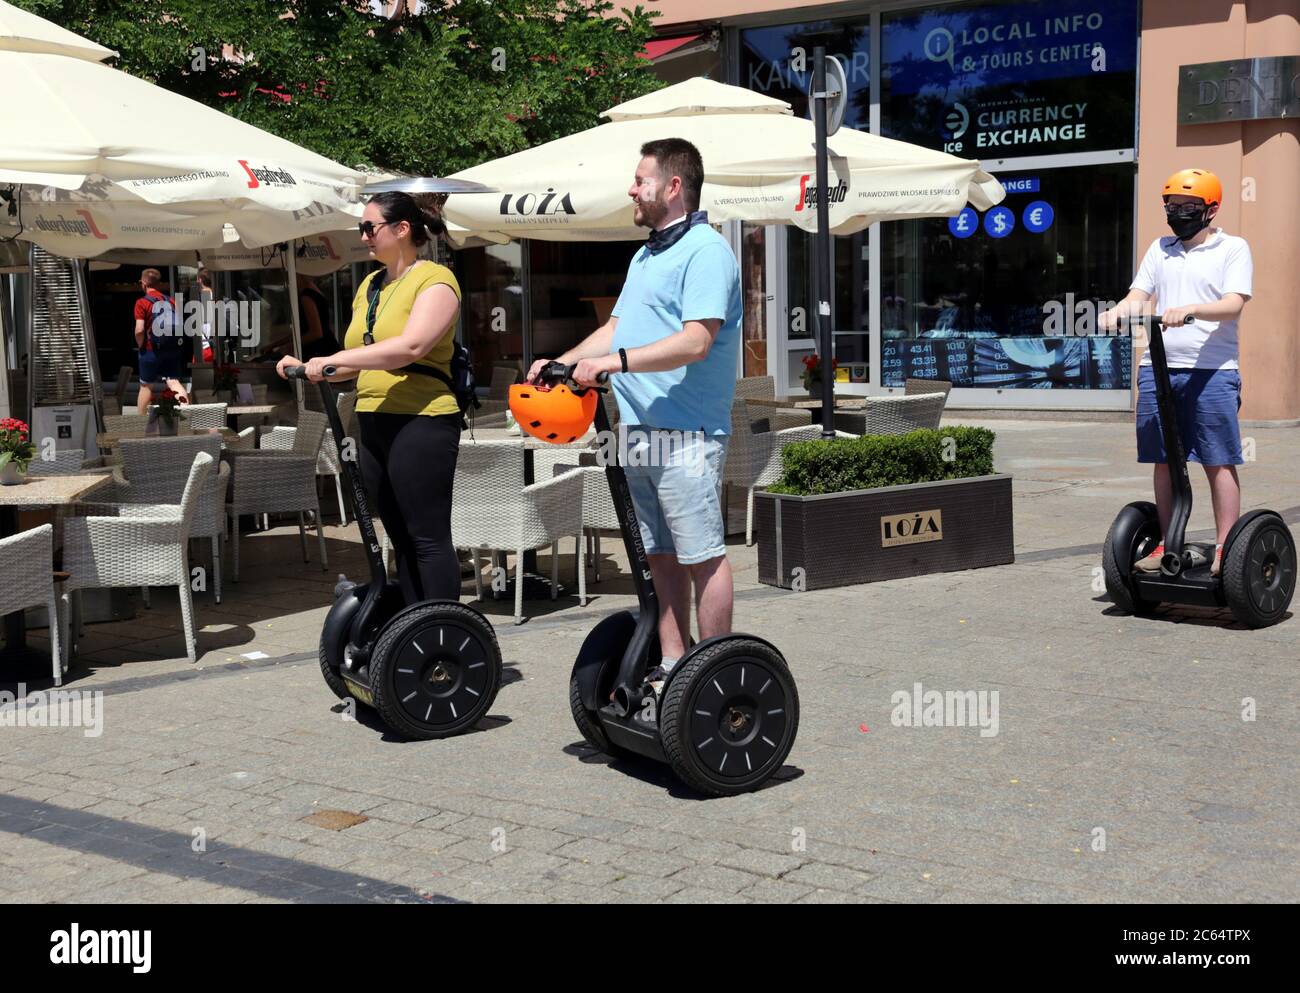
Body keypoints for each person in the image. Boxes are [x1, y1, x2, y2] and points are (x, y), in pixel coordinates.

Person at [528, 138, 741, 695]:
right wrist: (567, 360)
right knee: (659, 554)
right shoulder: (646, 255)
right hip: (639, 432)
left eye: (640, 179)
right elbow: (618, 328)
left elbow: (697, 341)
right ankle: (674, 663)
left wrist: (614, 365)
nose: (631, 189)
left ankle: (715, 675)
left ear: (673, 186)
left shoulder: (707, 252)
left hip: (689, 433)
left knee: (703, 558)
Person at [277, 191, 463, 603]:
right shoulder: (370, 286)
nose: (363, 237)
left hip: (422, 418)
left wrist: (330, 360)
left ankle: (444, 633)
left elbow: (412, 346)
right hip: (373, 419)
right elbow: (354, 362)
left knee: (427, 537)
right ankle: (412, 629)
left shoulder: (435, 280)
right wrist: (311, 365)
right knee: (397, 534)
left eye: (369, 227)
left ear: (402, 229)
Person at [1100, 168, 1253, 576]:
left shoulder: (1232, 248)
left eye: (1188, 207)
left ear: (1211, 209)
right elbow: (1138, 295)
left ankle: (1226, 549)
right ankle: (1169, 542)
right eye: (1172, 206)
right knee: (1164, 459)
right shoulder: (1160, 248)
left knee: (1217, 459)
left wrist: (1191, 309)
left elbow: (1234, 303)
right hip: (1157, 368)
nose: (1178, 213)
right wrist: (1117, 311)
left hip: (1212, 370)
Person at [133, 268, 189, 413]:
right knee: (174, 382)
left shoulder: (142, 303)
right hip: (171, 349)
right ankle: (186, 413)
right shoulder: (171, 301)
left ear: (143, 283)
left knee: (146, 386)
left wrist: (141, 346)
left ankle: (141, 423)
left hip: (151, 350)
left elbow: (139, 330)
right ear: (159, 284)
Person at [296, 272, 340, 361]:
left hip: (319, 352)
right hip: (328, 345)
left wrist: (291, 345)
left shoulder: (306, 296)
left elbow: (316, 333)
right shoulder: (314, 289)